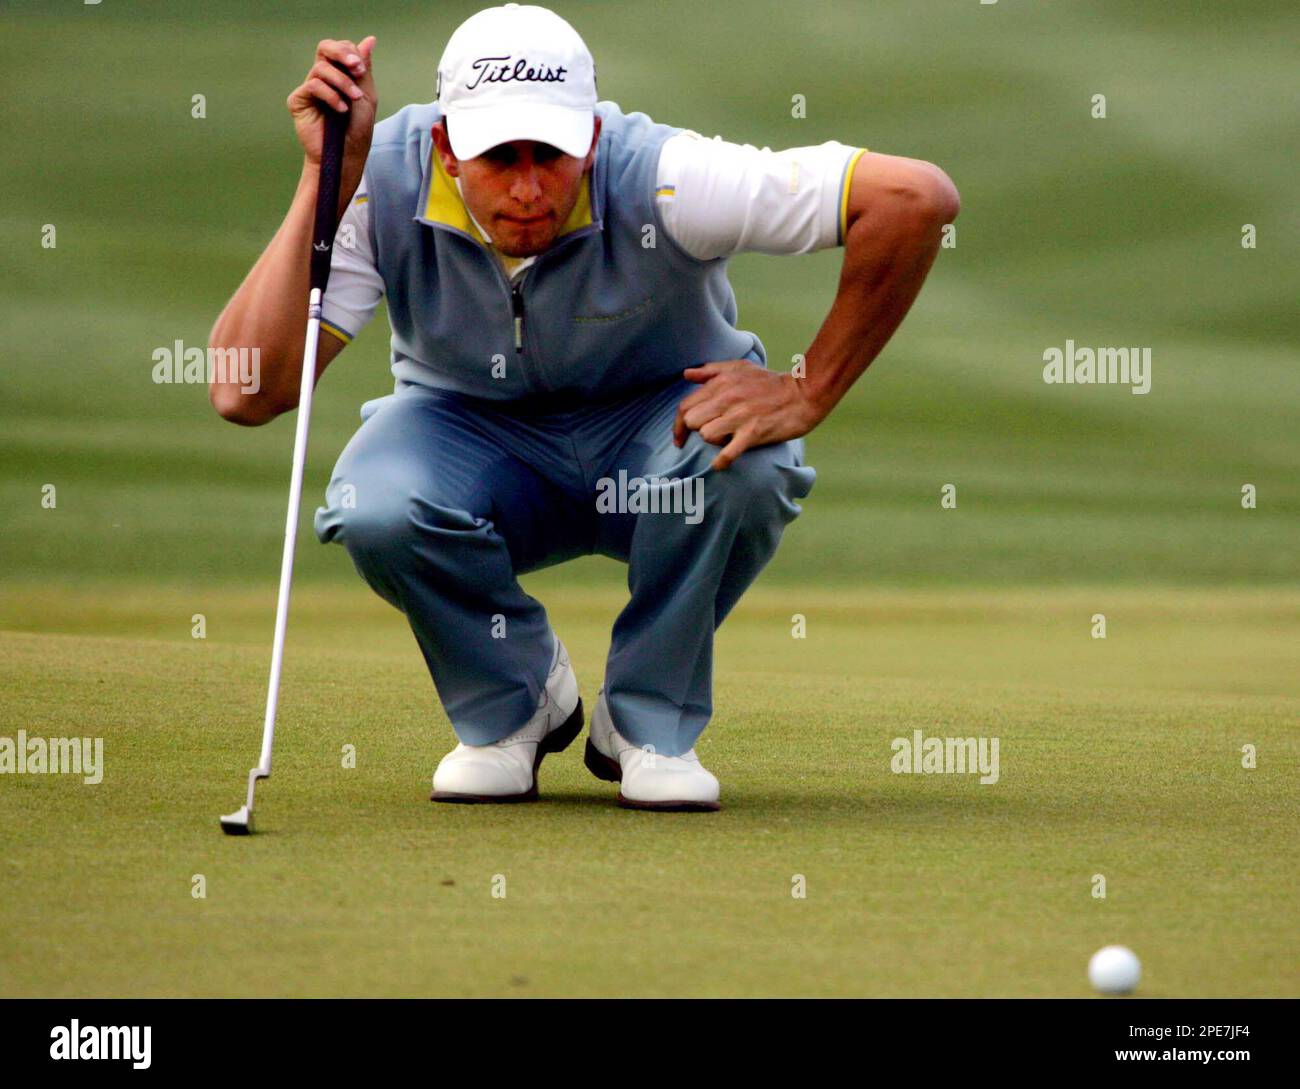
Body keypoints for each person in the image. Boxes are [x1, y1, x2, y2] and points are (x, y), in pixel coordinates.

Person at [208, 4, 959, 811]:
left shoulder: (667, 176)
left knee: (750, 461)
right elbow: (247, 391)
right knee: (374, 504)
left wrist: (807, 388)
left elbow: (915, 198)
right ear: (446, 148)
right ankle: (516, 704)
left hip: (656, 436)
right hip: (470, 440)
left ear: (592, 140)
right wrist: (326, 179)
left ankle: (647, 725)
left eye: (553, 155)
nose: (529, 188)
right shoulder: (379, 180)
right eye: (500, 156)